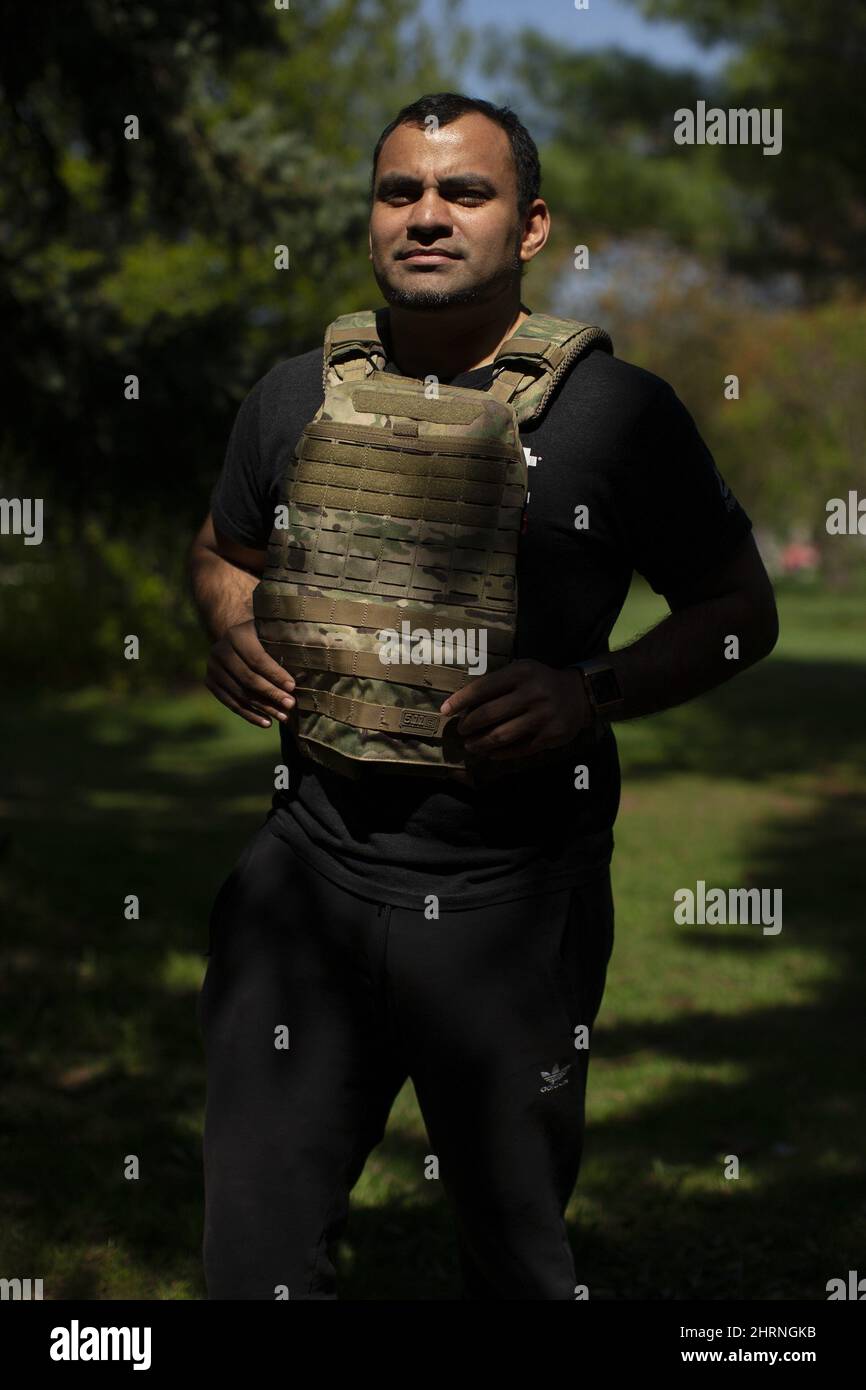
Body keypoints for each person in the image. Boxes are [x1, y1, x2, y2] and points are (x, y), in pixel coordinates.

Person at [188, 92, 778, 1301]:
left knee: (511, 1257)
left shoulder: (619, 414)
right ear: (368, 221)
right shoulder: (291, 395)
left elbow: (740, 613)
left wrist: (586, 690)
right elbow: (221, 549)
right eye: (399, 190)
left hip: (512, 896)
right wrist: (229, 619)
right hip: (305, 871)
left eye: (464, 192)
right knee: (250, 1259)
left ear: (530, 226)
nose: (425, 216)